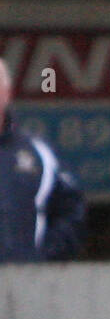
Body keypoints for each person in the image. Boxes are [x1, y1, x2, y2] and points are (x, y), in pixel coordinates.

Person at [0, 57, 85, 262]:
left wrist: (40, 261)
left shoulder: (39, 153)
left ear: (7, 94)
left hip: (24, 288)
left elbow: (71, 214)